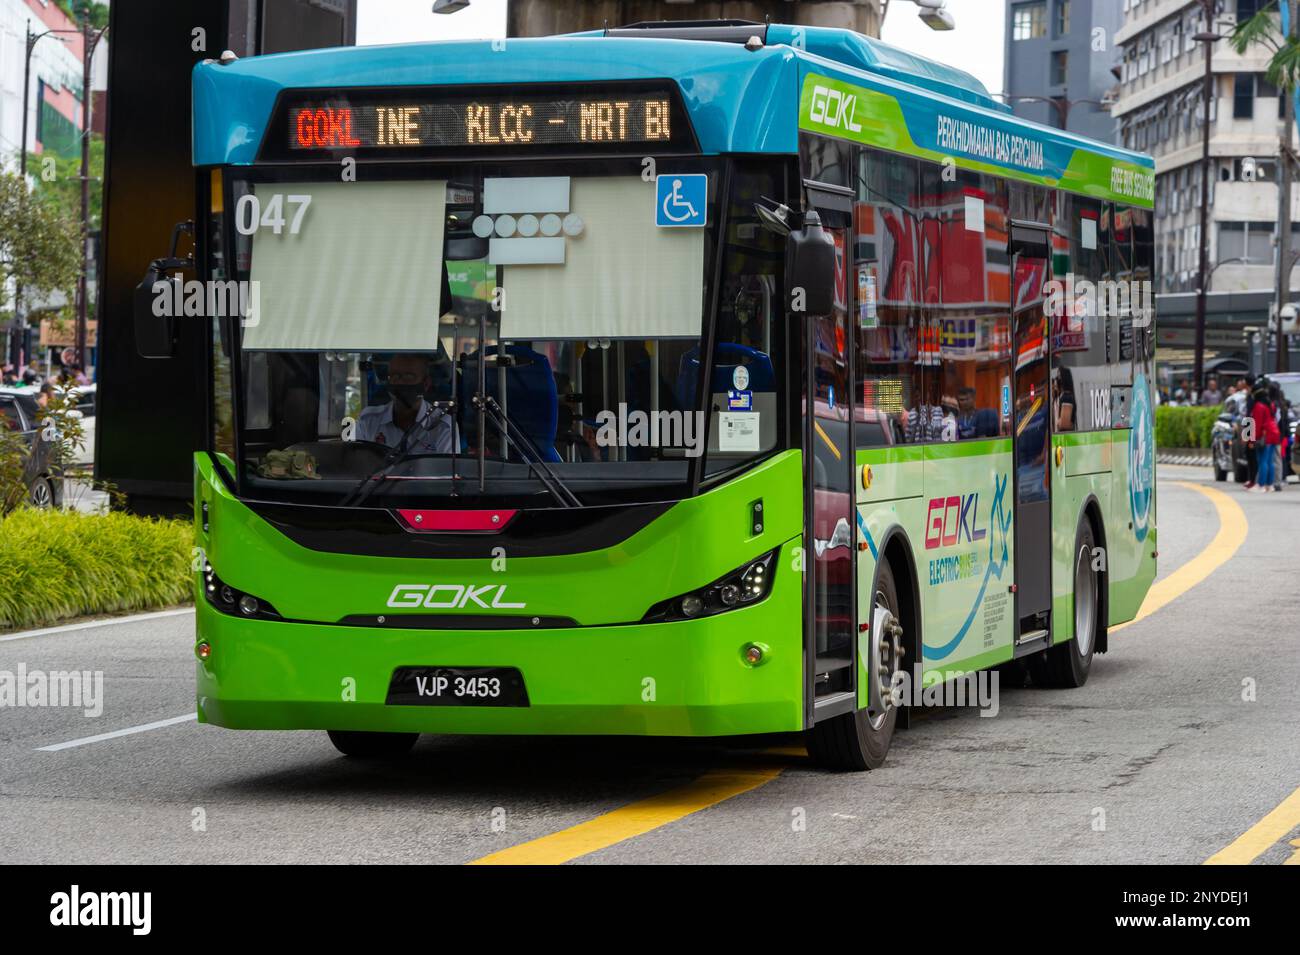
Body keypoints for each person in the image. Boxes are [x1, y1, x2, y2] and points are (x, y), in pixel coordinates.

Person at [354, 354, 454, 453]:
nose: (400, 383)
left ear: (426, 383)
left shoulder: (442, 425)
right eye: (395, 377)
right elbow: (359, 464)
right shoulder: (368, 421)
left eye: (408, 377)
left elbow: (447, 468)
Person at [1249, 387, 1280, 492]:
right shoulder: (1270, 405)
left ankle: (1261, 485)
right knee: (1270, 460)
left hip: (1264, 434)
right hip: (1274, 433)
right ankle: (1269, 485)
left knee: (1262, 460)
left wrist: (1253, 439)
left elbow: (1257, 425)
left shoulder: (1258, 406)